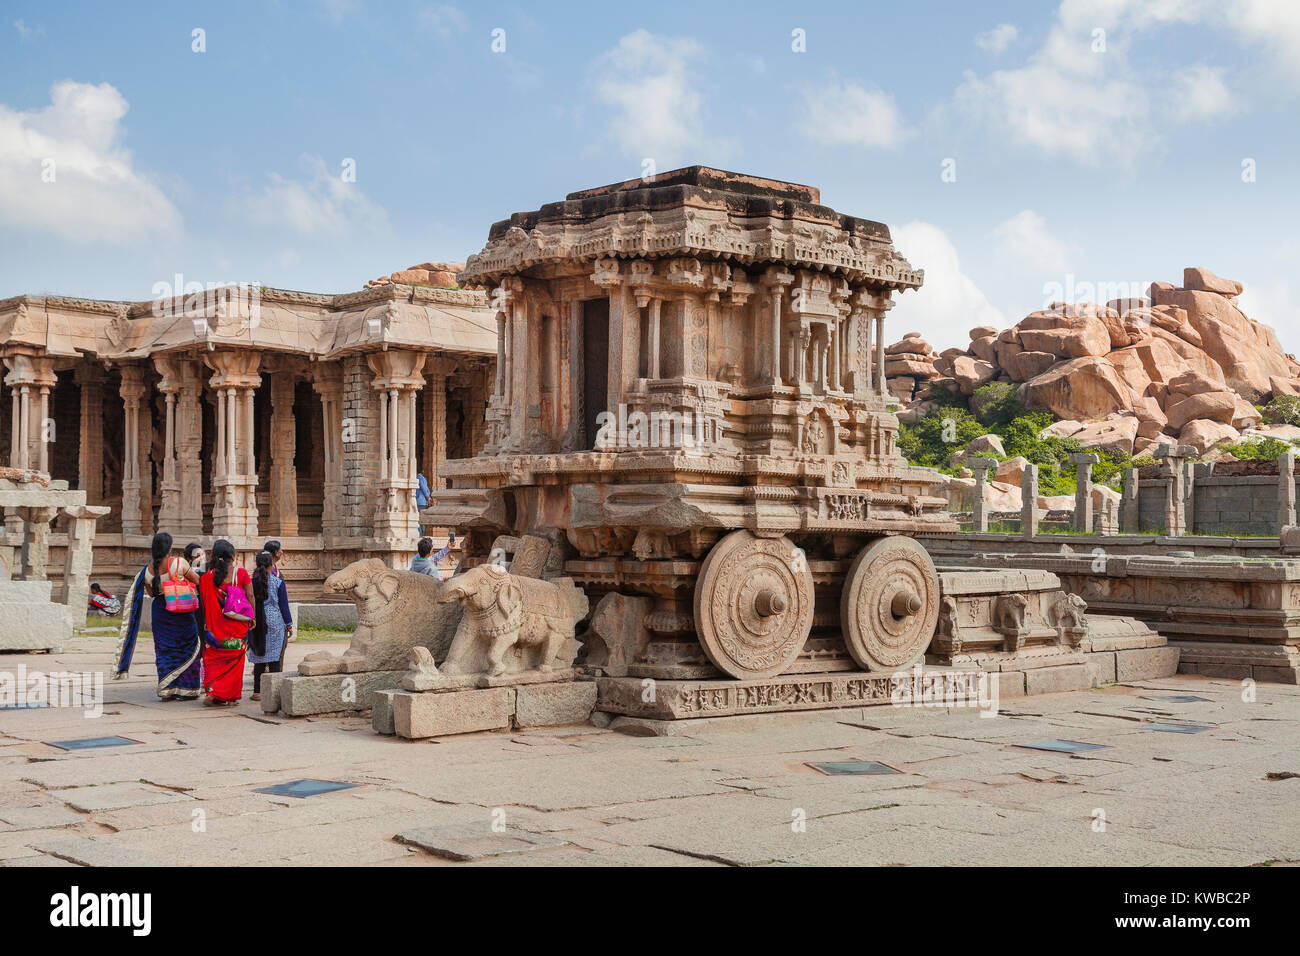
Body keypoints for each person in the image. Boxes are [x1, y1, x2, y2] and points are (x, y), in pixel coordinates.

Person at [139, 532, 203, 700]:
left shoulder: (147, 569)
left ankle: (167, 689)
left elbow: (151, 593)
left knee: (164, 649)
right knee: (188, 646)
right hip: (180, 609)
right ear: (169, 547)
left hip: (160, 610)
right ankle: (187, 688)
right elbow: (197, 580)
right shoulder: (178, 563)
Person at [198, 539, 253, 706]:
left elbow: (205, 603)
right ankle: (229, 697)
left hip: (214, 630)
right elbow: (250, 596)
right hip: (236, 629)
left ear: (213, 556)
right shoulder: (241, 574)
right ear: (233, 556)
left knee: (213, 661)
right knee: (234, 663)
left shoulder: (206, 578)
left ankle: (212, 693)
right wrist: (253, 618)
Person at [248, 550, 293, 701]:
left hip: (256, 619)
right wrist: (289, 624)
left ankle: (257, 691)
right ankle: (274, 691)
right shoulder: (278, 582)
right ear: (271, 564)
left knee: (259, 655)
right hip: (275, 621)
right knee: (274, 657)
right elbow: (284, 605)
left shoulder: (251, 582)